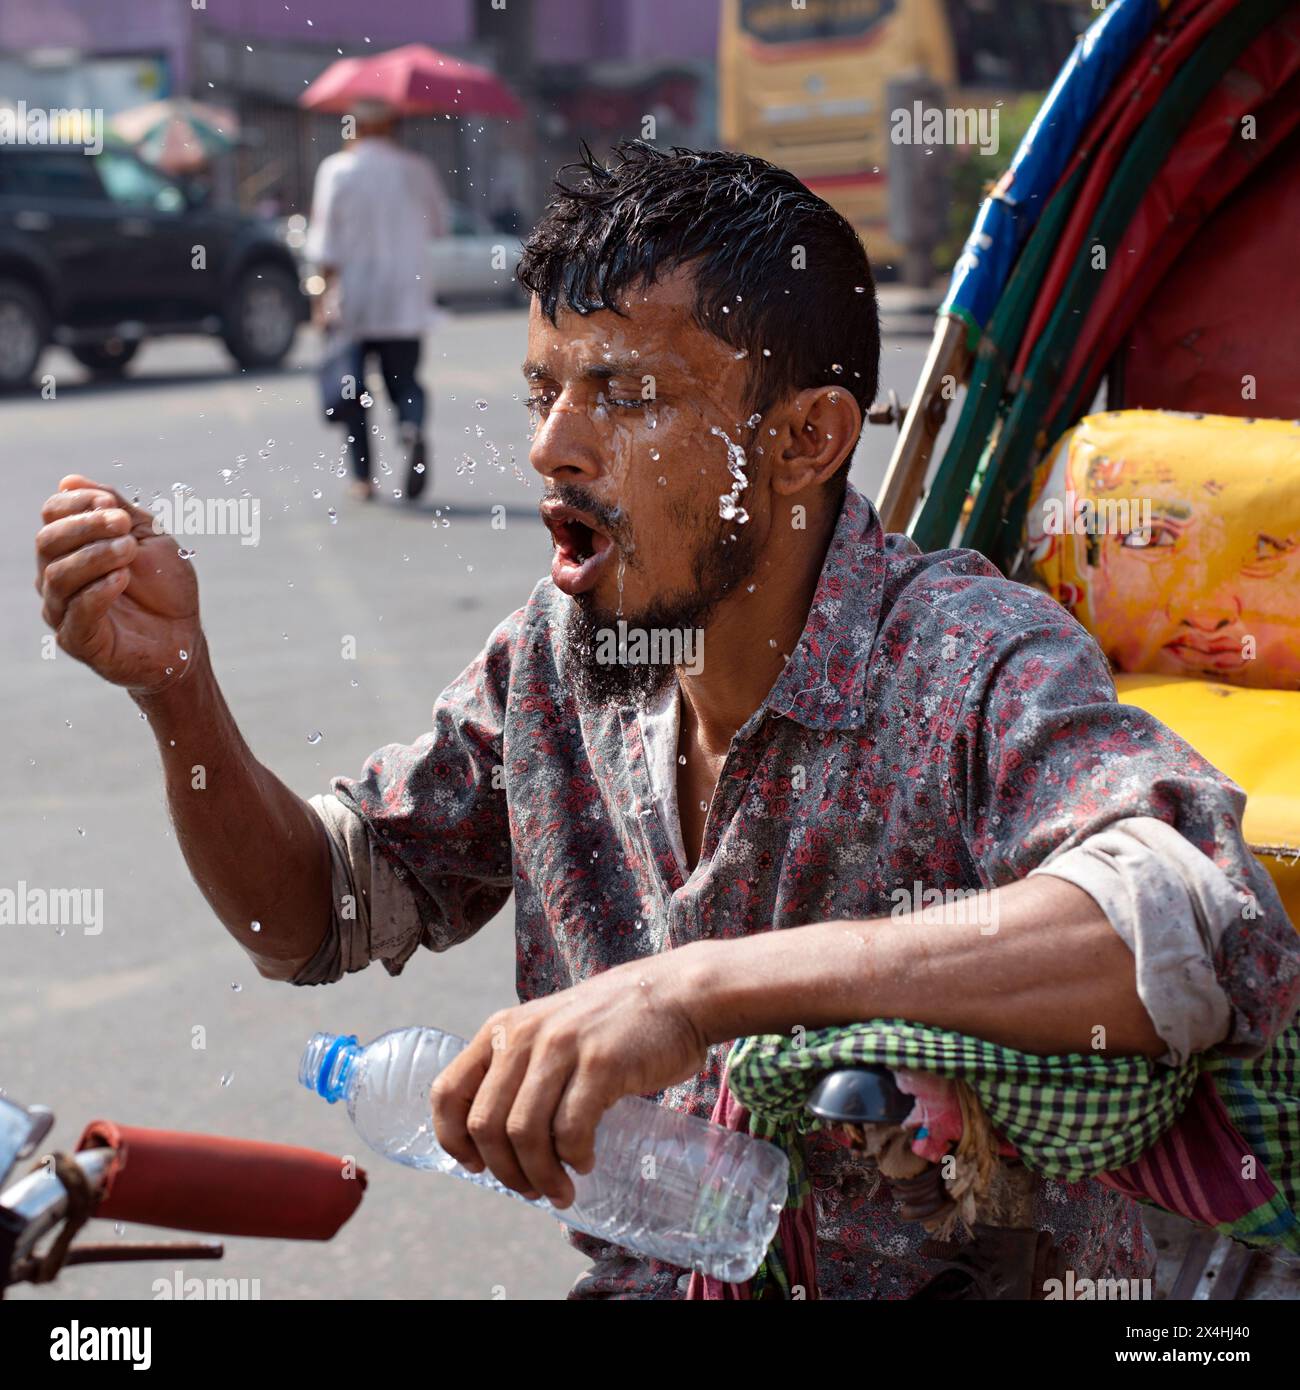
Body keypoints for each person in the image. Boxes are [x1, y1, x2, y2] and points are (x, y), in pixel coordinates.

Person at [34, 141, 1300, 1300]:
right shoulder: (557, 653)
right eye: (542, 391)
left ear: (805, 439)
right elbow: (311, 915)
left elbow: (1187, 908)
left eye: (624, 395)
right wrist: (177, 692)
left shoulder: (962, 658)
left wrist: (692, 994)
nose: (551, 448)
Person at [305, 99, 450, 503]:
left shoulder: (337, 170)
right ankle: (411, 426)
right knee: (404, 382)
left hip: (355, 300)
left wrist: (319, 298)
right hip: (406, 297)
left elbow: (324, 246)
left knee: (352, 388)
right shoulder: (417, 169)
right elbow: (439, 225)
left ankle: (363, 477)